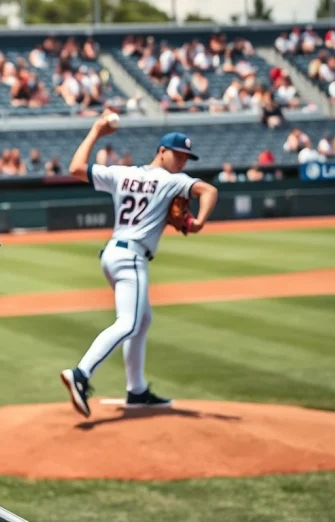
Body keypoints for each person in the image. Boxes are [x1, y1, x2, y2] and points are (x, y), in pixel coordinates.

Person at [60, 110, 218, 417]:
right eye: (179, 155)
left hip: (113, 254)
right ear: (162, 151)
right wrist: (198, 222)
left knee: (141, 321)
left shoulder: (123, 173)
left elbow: (76, 167)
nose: (183, 161)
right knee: (128, 322)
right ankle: (80, 374)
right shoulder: (173, 181)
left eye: (187, 157)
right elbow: (209, 190)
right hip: (131, 256)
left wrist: (96, 130)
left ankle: (137, 390)